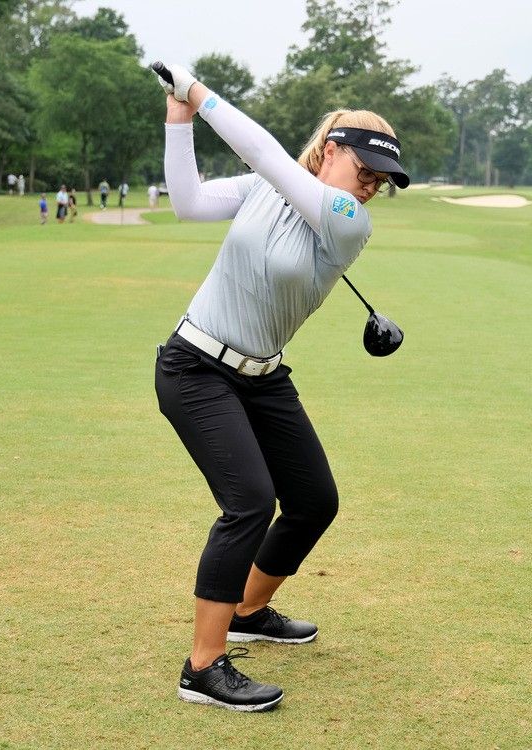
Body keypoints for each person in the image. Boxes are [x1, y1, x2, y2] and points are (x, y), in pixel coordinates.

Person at [154, 63, 409, 712]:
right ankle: (203, 666)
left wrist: (200, 91)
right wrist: (179, 119)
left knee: (313, 500)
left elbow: (266, 152)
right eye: (367, 170)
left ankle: (247, 610)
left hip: (263, 377)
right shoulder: (268, 189)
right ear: (331, 150)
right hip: (194, 367)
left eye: (383, 180)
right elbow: (189, 204)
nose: (374, 186)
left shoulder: (349, 218)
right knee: (249, 501)